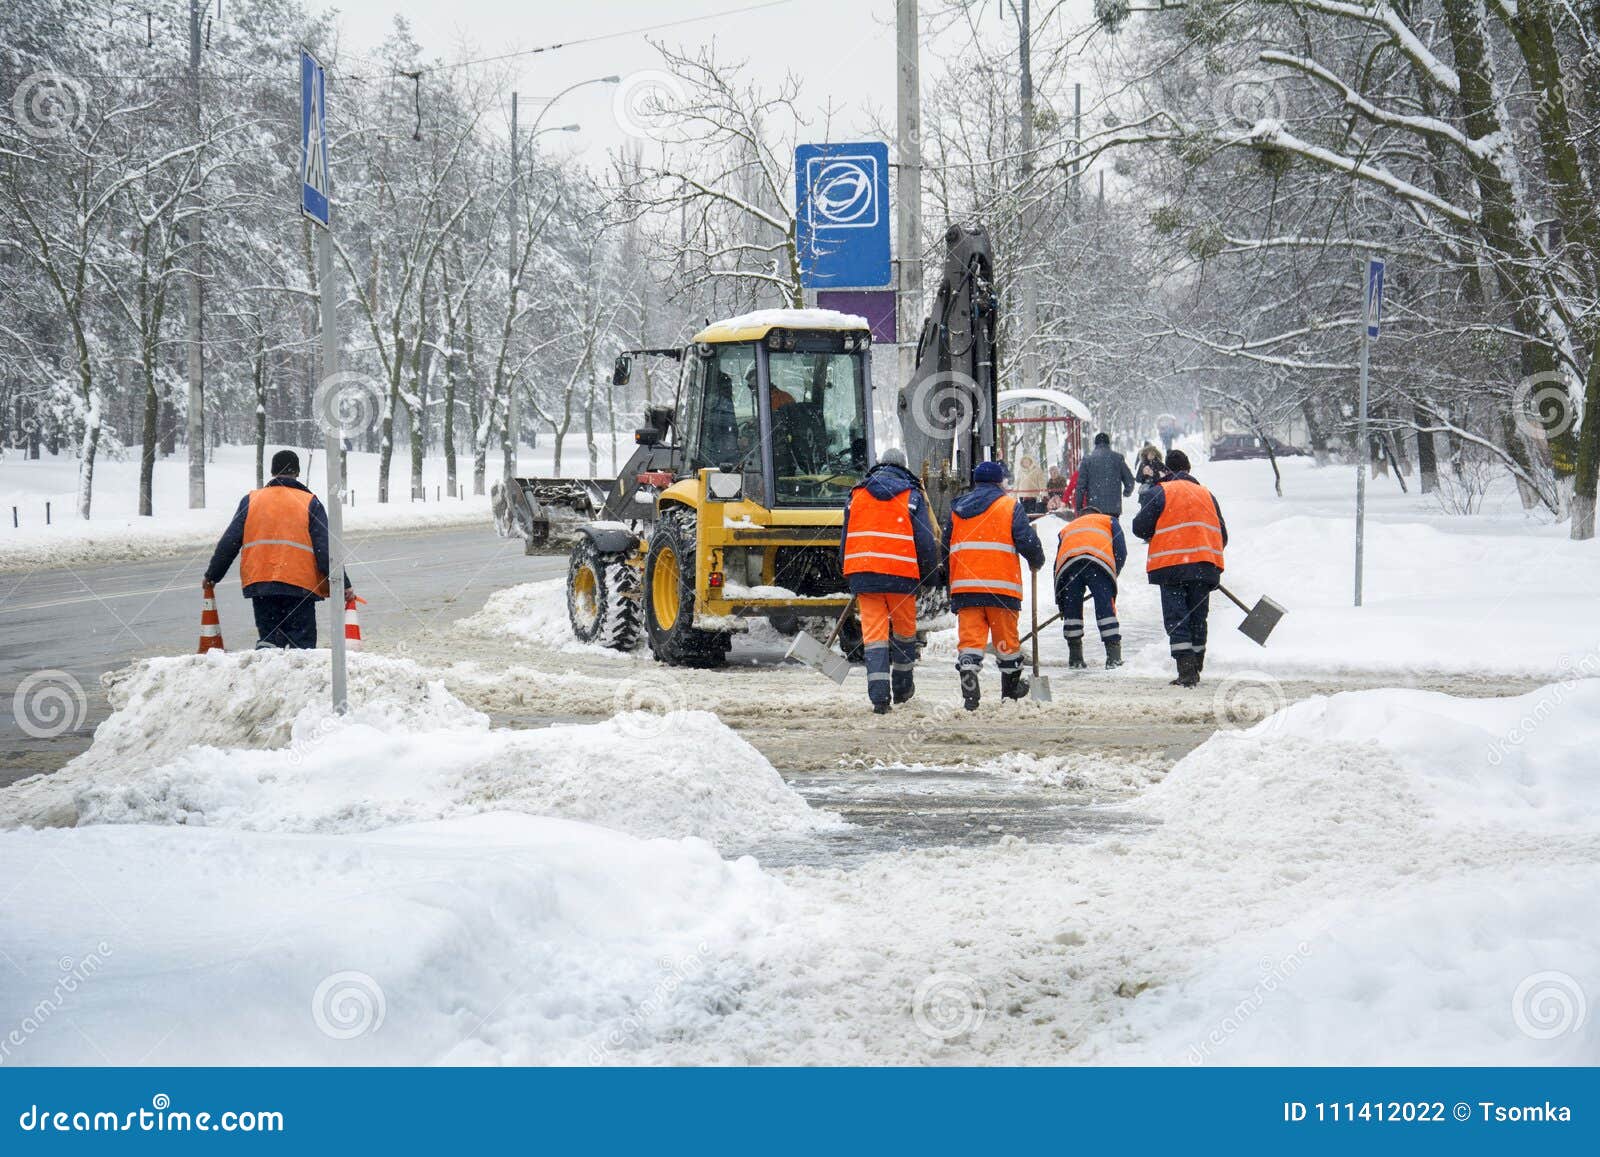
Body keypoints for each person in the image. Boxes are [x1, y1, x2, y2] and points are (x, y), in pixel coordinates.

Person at [204, 449, 352, 649]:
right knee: (301, 649)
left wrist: (213, 575)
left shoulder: (251, 501)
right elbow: (325, 551)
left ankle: (268, 665)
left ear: (272, 472)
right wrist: (344, 583)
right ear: (297, 472)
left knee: (269, 642)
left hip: (261, 583)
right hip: (299, 586)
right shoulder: (310, 502)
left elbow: (229, 543)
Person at [839, 447, 940, 714]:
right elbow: (925, 541)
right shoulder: (911, 496)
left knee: (874, 638)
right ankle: (903, 690)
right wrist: (931, 573)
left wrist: (848, 570)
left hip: (865, 576)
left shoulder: (856, 495)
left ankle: (879, 699)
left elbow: (845, 539)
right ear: (903, 467)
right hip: (902, 578)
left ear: (879, 465)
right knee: (904, 634)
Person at [943, 460, 1046, 711]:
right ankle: (1009, 694)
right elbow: (1026, 541)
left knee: (970, 641)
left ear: (976, 482)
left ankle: (970, 692)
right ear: (1000, 482)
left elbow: (945, 548)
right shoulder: (1009, 506)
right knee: (1007, 645)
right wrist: (1037, 559)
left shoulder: (957, 509)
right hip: (1002, 590)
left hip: (966, 590)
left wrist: (949, 579)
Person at [1130, 449, 1228, 687]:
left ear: (1167, 470)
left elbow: (1139, 527)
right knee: (1198, 617)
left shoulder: (1160, 492)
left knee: (1177, 617)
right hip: (1204, 567)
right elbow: (1222, 534)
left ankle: (1186, 669)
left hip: (1171, 567)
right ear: (1189, 469)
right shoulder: (1207, 495)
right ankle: (1196, 664)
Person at [1053, 503, 1127, 669]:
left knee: (1072, 608)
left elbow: (1056, 563)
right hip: (1098, 564)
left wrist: (1060, 599)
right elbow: (1121, 550)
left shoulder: (1068, 528)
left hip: (1069, 566)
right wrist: (1112, 574)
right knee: (1105, 607)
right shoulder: (1109, 520)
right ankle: (1113, 657)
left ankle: (1075, 657)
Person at [1075, 432, 1136, 521]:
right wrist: (1127, 492)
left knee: (1098, 533)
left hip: (1094, 507)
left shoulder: (1087, 459)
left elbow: (1080, 486)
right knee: (1112, 530)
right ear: (1108, 443)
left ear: (1095, 443)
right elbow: (1130, 480)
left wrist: (1079, 506)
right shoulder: (1117, 458)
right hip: (1113, 507)